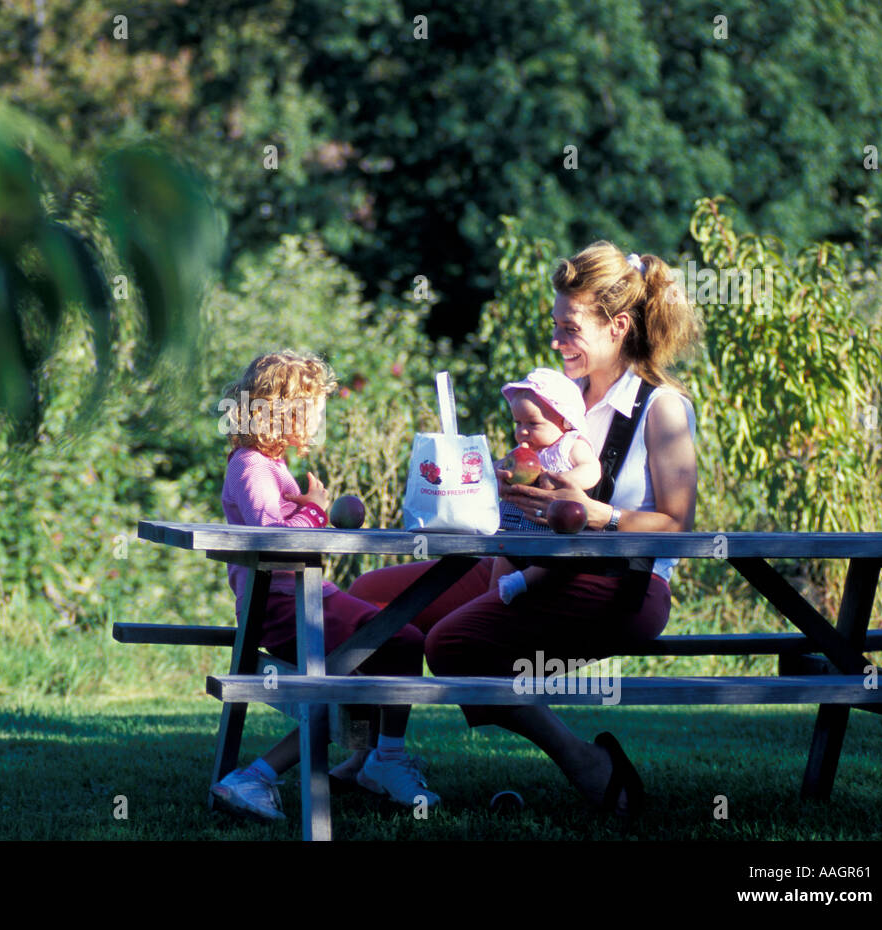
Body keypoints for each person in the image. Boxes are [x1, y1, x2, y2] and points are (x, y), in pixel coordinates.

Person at [348, 243, 700, 818]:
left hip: (619, 584)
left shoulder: (661, 408)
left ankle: (585, 762)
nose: (558, 342)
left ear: (618, 326)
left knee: (453, 645)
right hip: (527, 567)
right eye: (555, 326)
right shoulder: (560, 398)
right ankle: (368, 758)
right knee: (368, 602)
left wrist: (597, 513)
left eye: (570, 329)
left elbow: (678, 527)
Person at [210, 350, 440, 823]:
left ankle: (363, 762)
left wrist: (313, 515)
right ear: (282, 409)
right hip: (280, 609)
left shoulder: (266, 463)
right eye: (313, 409)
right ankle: (374, 761)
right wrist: (316, 509)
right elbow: (271, 536)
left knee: (367, 665)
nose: (319, 420)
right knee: (400, 642)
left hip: (303, 599)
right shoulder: (252, 465)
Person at [492, 367, 602, 604]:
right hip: (516, 531)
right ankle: (492, 600)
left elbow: (592, 470)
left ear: (564, 420)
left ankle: (521, 582)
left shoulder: (570, 445)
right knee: (503, 555)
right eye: (517, 422)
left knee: (564, 557)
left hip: (556, 529)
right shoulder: (522, 454)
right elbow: (496, 467)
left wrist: (567, 480)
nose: (522, 431)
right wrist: (497, 473)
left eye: (532, 423)